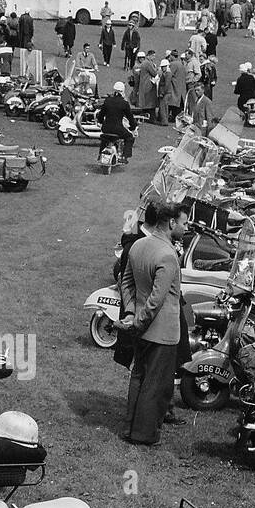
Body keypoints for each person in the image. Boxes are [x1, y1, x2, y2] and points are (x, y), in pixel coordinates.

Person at [118, 202, 187, 445]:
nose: (185, 228)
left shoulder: (138, 245)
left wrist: (129, 312)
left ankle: (129, 428)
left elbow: (124, 281)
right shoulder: (168, 255)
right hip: (161, 332)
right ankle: (145, 434)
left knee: (138, 377)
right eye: (183, 223)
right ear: (171, 223)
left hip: (139, 327)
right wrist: (139, 321)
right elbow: (157, 300)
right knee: (156, 384)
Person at [100, 80, 136, 162]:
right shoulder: (124, 103)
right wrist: (133, 127)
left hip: (106, 128)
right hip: (118, 129)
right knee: (129, 137)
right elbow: (130, 117)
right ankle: (124, 156)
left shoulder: (107, 101)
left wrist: (101, 122)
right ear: (123, 91)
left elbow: (101, 115)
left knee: (105, 139)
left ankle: (100, 155)